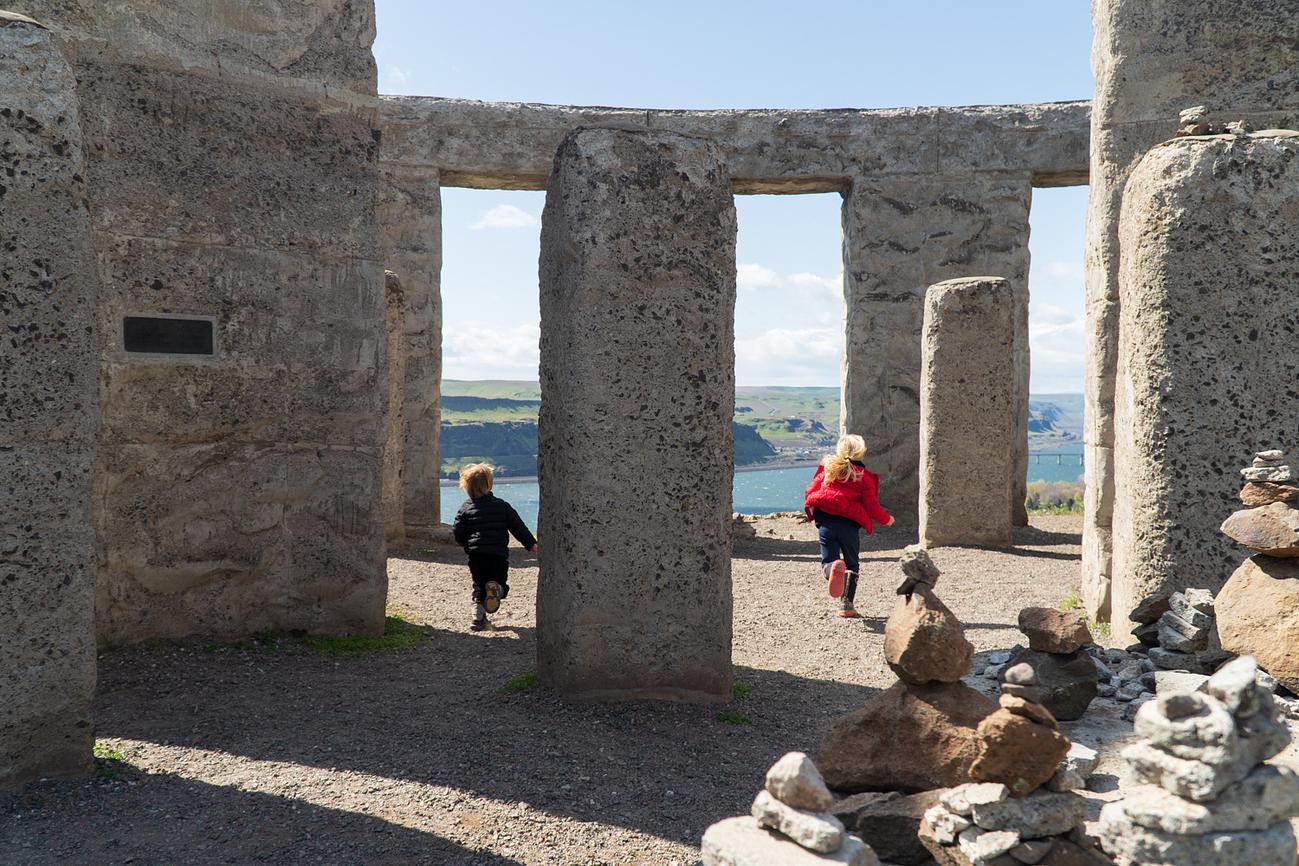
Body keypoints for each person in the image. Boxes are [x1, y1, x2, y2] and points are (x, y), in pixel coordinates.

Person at [803, 434, 894, 618]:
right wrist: (886, 519)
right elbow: (871, 505)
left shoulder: (827, 470)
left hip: (826, 525)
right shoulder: (863, 477)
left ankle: (832, 569)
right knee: (852, 563)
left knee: (829, 559)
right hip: (849, 527)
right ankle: (847, 605)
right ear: (861, 453)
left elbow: (810, 491)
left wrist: (813, 508)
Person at [451, 463, 538, 631]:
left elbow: (458, 531)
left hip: (476, 556)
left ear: (466, 488)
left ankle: (477, 619)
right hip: (497, 555)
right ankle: (498, 589)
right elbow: (517, 526)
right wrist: (530, 544)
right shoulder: (502, 506)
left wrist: (466, 544)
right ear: (489, 485)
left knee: (478, 586)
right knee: (499, 581)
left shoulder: (465, 509)